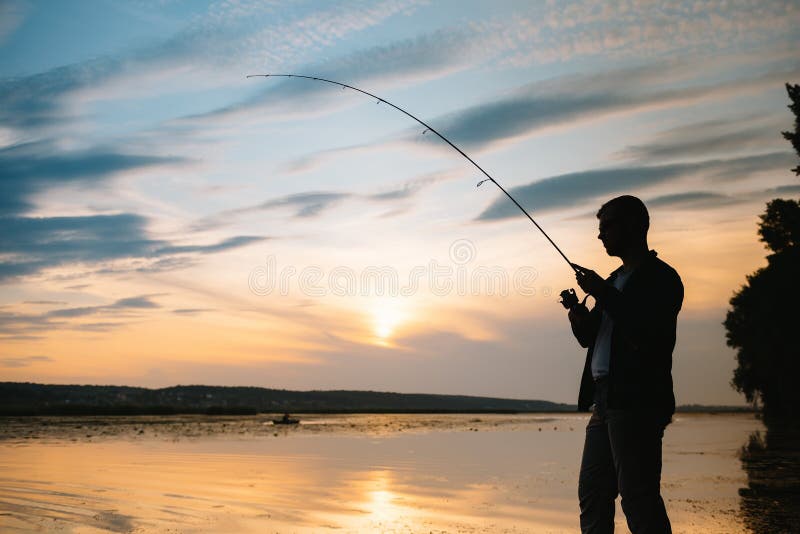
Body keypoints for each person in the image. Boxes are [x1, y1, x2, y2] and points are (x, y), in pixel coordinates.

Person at [567, 195, 683, 534]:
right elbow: (591, 338)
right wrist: (578, 315)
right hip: (604, 402)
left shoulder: (661, 278)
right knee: (592, 494)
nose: (600, 236)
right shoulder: (615, 279)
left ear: (633, 225)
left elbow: (644, 331)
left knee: (638, 498)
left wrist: (602, 291)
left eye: (606, 228)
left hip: (637, 401)